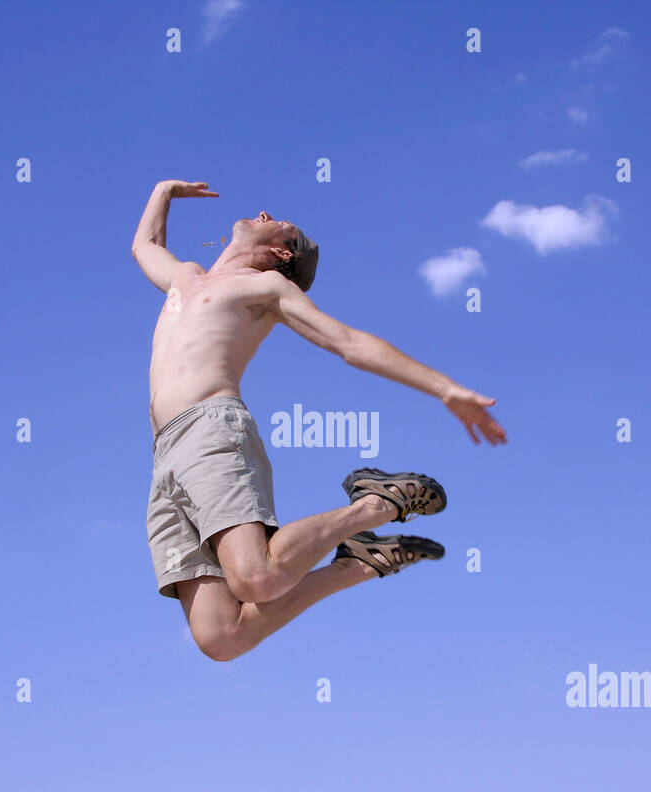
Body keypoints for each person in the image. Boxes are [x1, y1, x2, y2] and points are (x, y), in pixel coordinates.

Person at [134, 179, 506, 661]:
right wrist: (164, 191)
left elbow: (347, 342)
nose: (266, 212)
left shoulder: (264, 288)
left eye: (281, 224)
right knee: (221, 637)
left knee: (257, 577)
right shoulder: (185, 277)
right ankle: (357, 563)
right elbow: (145, 245)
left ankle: (377, 503)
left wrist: (443, 388)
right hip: (164, 456)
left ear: (281, 254)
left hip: (210, 429)